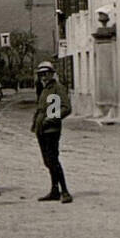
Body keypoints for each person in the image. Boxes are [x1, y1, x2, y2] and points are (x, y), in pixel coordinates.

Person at [31, 61, 72, 203]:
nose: (44, 77)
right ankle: (55, 190)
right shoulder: (44, 89)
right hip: (41, 129)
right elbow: (40, 108)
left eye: (46, 74)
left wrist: (52, 118)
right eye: (41, 74)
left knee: (53, 160)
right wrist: (35, 123)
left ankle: (65, 191)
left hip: (52, 129)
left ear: (52, 74)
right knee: (48, 161)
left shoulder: (58, 88)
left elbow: (66, 108)